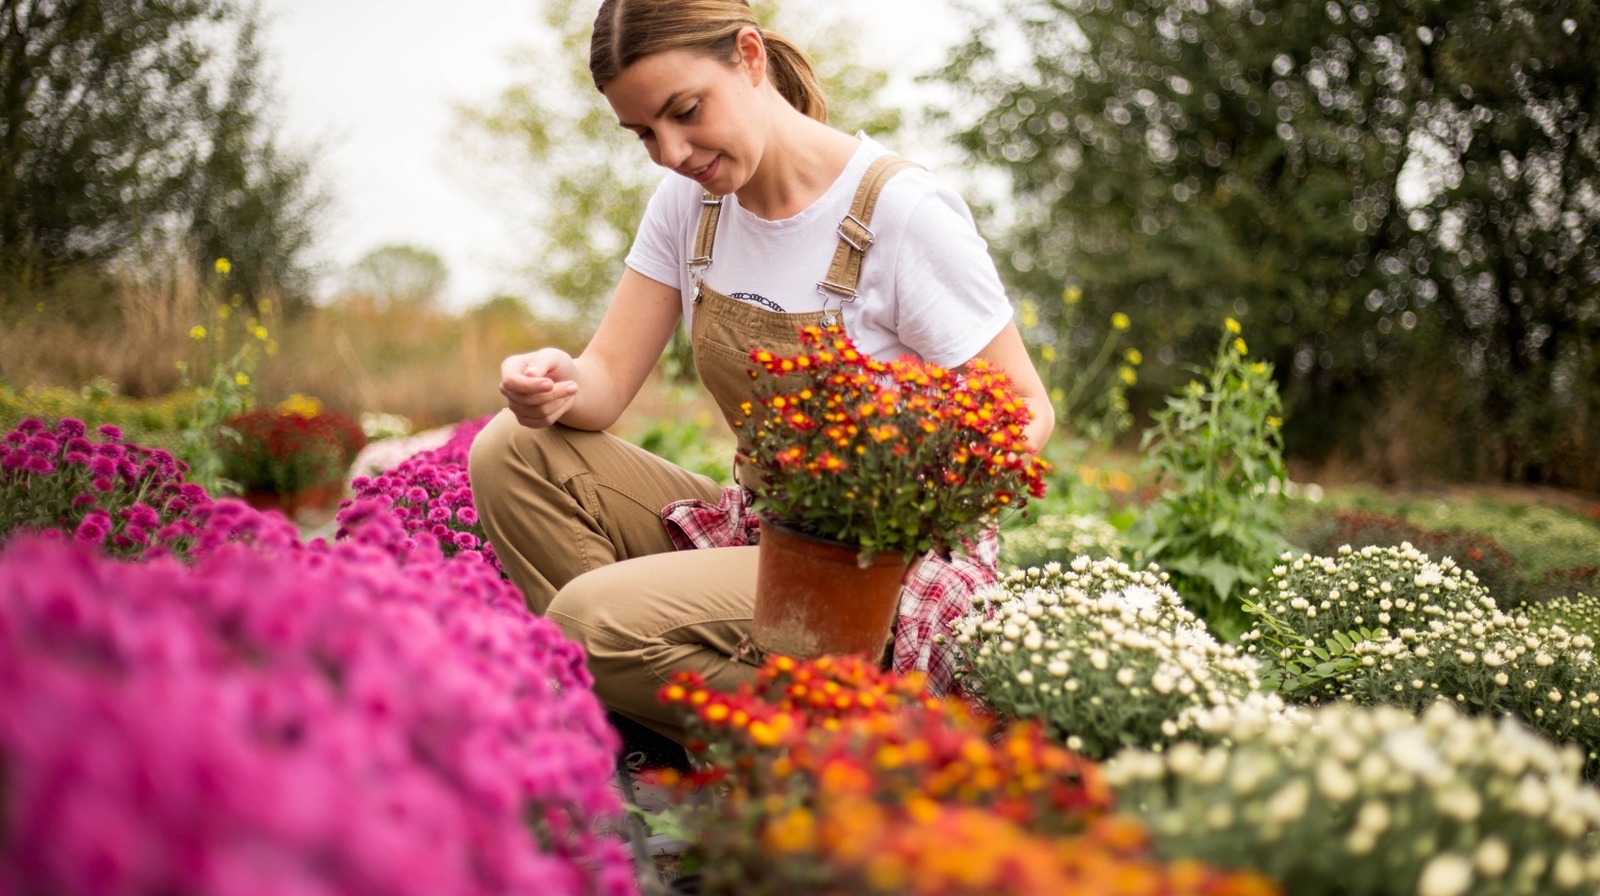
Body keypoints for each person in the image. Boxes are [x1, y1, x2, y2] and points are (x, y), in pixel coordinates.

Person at [468, 0, 1054, 751]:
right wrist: (552, 382)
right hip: (762, 528)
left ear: (749, 57)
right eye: (644, 132)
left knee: (589, 622)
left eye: (685, 111)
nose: (672, 152)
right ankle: (666, 697)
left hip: (873, 571)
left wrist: (899, 490)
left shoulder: (901, 213)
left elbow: (1027, 409)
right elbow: (606, 379)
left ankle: (881, 748)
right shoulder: (692, 204)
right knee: (510, 451)